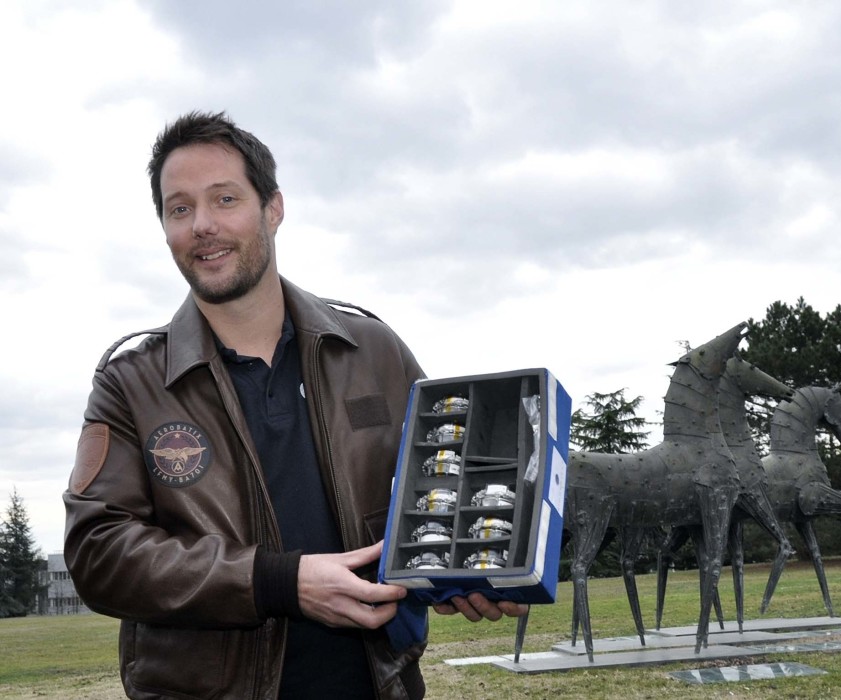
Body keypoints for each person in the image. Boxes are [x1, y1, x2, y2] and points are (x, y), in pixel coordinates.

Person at [63, 111, 526, 699]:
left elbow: (442, 490)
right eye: (179, 209)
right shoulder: (130, 382)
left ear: (273, 209)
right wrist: (277, 583)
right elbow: (98, 553)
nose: (202, 224)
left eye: (224, 199)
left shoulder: (374, 350)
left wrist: (469, 572)